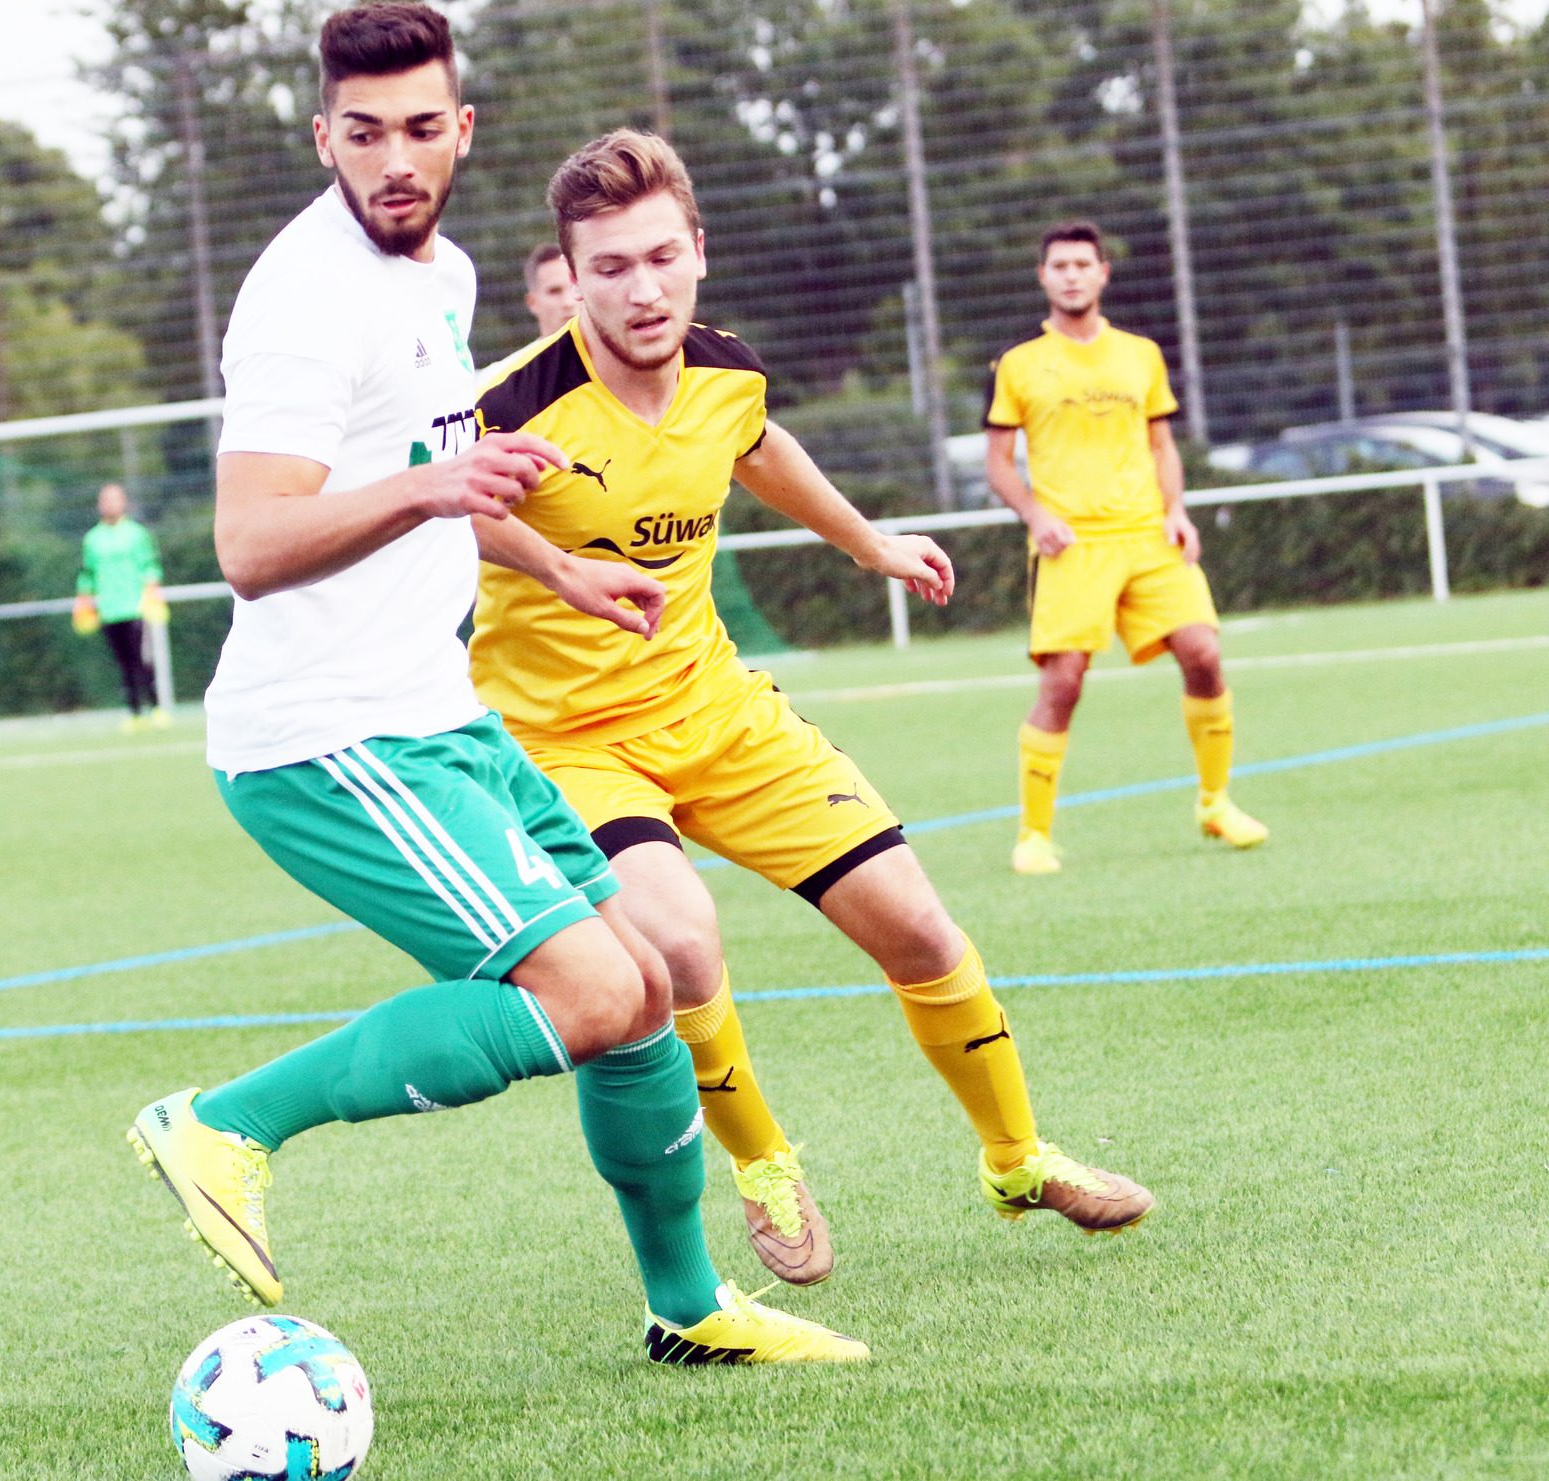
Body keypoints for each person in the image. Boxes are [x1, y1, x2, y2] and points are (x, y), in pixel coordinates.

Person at [126, 5, 864, 1367]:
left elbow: (442, 472)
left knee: (642, 985)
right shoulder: (305, 301)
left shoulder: (443, 275)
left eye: (421, 128)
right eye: (364, 134)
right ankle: (223, 1122)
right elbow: (250, 545)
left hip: (439, 712)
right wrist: (430, 487)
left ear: (461, 129)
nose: (394, 159)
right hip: (332, 738)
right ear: (323, 136)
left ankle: (690, 1307)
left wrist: (556, 566)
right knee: (590, 993)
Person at [472, 131, 1156, 1273]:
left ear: (696, 249)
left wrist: (868, 543)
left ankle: (1017, 1158)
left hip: (717, 706)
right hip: (569, 741)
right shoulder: (508, 403)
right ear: (568, 273)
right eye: (607, 267)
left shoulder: (726, 370)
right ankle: (762, 1165)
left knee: (919, 925)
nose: (639, 290)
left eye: (658, 258)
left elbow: (755, 444)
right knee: (682, 945)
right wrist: (553, 568)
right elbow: (436, 495)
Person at [986, 221, 1267, 875]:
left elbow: (1162, 444)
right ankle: (1033, 834)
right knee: (1064, 681)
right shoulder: (1019, 364)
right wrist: (1035, 513)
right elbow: (999, 462)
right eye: (1060, 265)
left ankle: (1216, 803)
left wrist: (1177, 510)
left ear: (1103, 274)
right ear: (1044, 277)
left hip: (1146, 533)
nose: (1072, 275)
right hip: (1072, 545)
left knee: (1204, 652)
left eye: (1084, 263)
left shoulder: (1141, 354)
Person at [73, 482, 169, 732]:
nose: (110, 504)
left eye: (115, 499)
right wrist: (83, 601)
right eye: (106, 500)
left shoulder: (137, 534)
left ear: (123, 502)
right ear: (100, 505)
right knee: (124, 664)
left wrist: (153, 591)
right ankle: (134, 712)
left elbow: (150, 566)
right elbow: (87, 574)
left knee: (142, 660)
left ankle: (157, 708)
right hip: (109, 609)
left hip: (136, 607)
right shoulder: (93, 539)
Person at [522, 241, 580, 337]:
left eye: (576, 288)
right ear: (532, 302)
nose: (568, 302)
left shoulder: (612, 351)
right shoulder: (527, 353)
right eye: (555, 291)